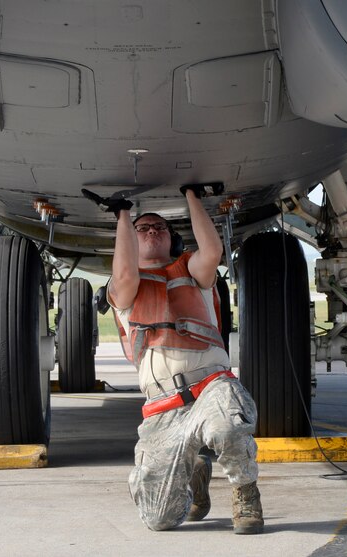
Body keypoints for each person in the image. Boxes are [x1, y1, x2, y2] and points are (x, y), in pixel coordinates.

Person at [105, 185, 263, 534]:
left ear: (171, 240)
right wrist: (123, 214)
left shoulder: (191, 271)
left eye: (160, 228)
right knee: (159, 519)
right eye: (143, 229)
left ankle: (245, 493)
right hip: (163, 404)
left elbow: (212, 250)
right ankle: (196, 472)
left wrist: (192, 195)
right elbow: (127, 274)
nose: (152, 232)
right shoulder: (122, 289)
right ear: (131, 240)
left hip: (210, 385)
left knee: (228, 425)